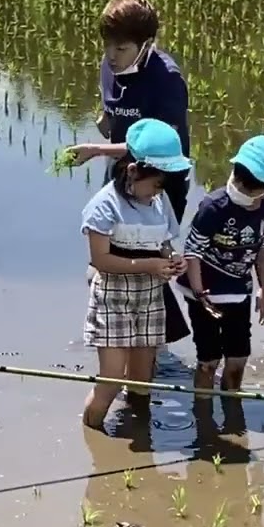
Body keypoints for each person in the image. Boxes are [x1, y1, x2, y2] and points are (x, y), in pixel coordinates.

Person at [69, 0, 191, 349]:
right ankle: (122, 337)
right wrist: (105, 124)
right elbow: (112, 113)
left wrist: (95, 150)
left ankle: (155, 346)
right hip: (120, 176)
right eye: (108, 47)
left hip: (158, 179)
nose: (111, 56)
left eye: (121, 49)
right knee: (107, 260)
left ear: (146, 44)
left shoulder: (167, 81)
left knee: (150, 257)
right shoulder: (110, 65)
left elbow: (158, 149)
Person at [81, 118, 191, 429]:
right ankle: (94, 437)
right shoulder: (104, 206)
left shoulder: (159, 201)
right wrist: (151, 265)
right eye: (156, 183)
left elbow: (165, 243)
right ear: (132, 171)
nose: (159, 192)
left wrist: (173, 259)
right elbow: (101, 260)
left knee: (143, 380)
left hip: (149, 298)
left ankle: (138, 432)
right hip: (113, 297)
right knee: (112, 379)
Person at [176, 136, 264, 393]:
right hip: (202, 288)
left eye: (251, 187)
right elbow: (192, 252)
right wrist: (199, 292)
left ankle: (232, 404)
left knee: (238, 358)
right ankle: (203, 411)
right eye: (239, 178)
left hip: (238, 290)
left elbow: (261, 248)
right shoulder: (213, 207)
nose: (241, 188)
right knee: (209, 360)